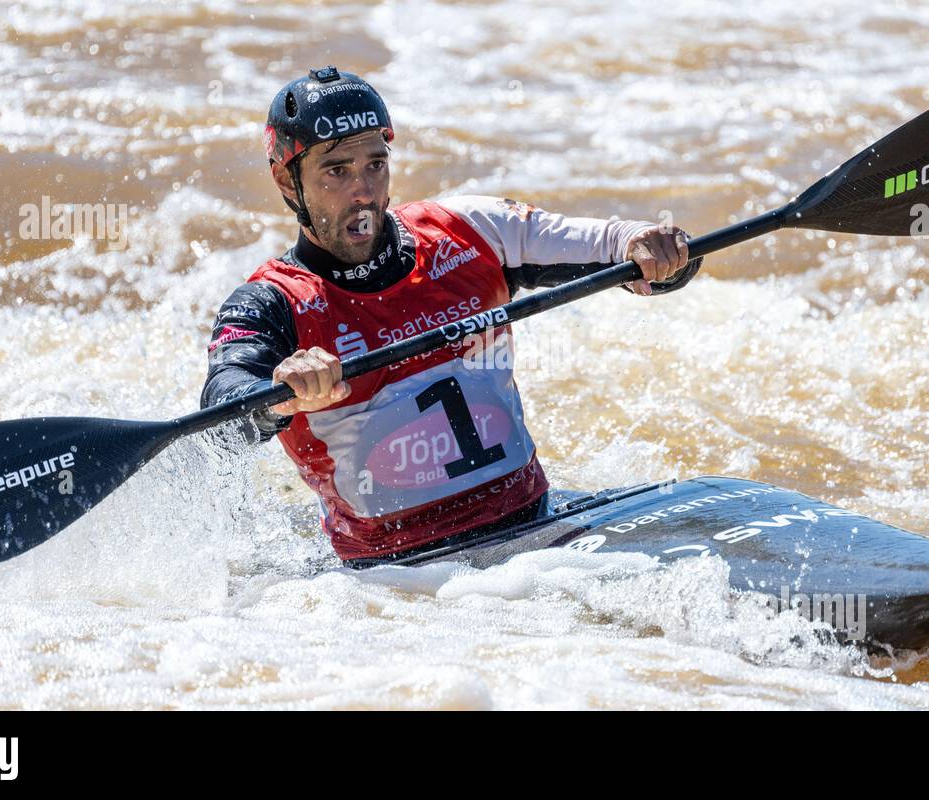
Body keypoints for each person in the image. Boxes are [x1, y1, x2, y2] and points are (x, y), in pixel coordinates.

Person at [201, 66, 699, 566]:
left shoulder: (468, 231)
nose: (364, 191)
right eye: (337, 171)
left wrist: (656, 249)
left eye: (376, 164)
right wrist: (278, 395)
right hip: (394, 580)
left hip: (536, 531)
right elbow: (221, 411)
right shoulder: (270, 302)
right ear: (288, 181)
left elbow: (620, 249)